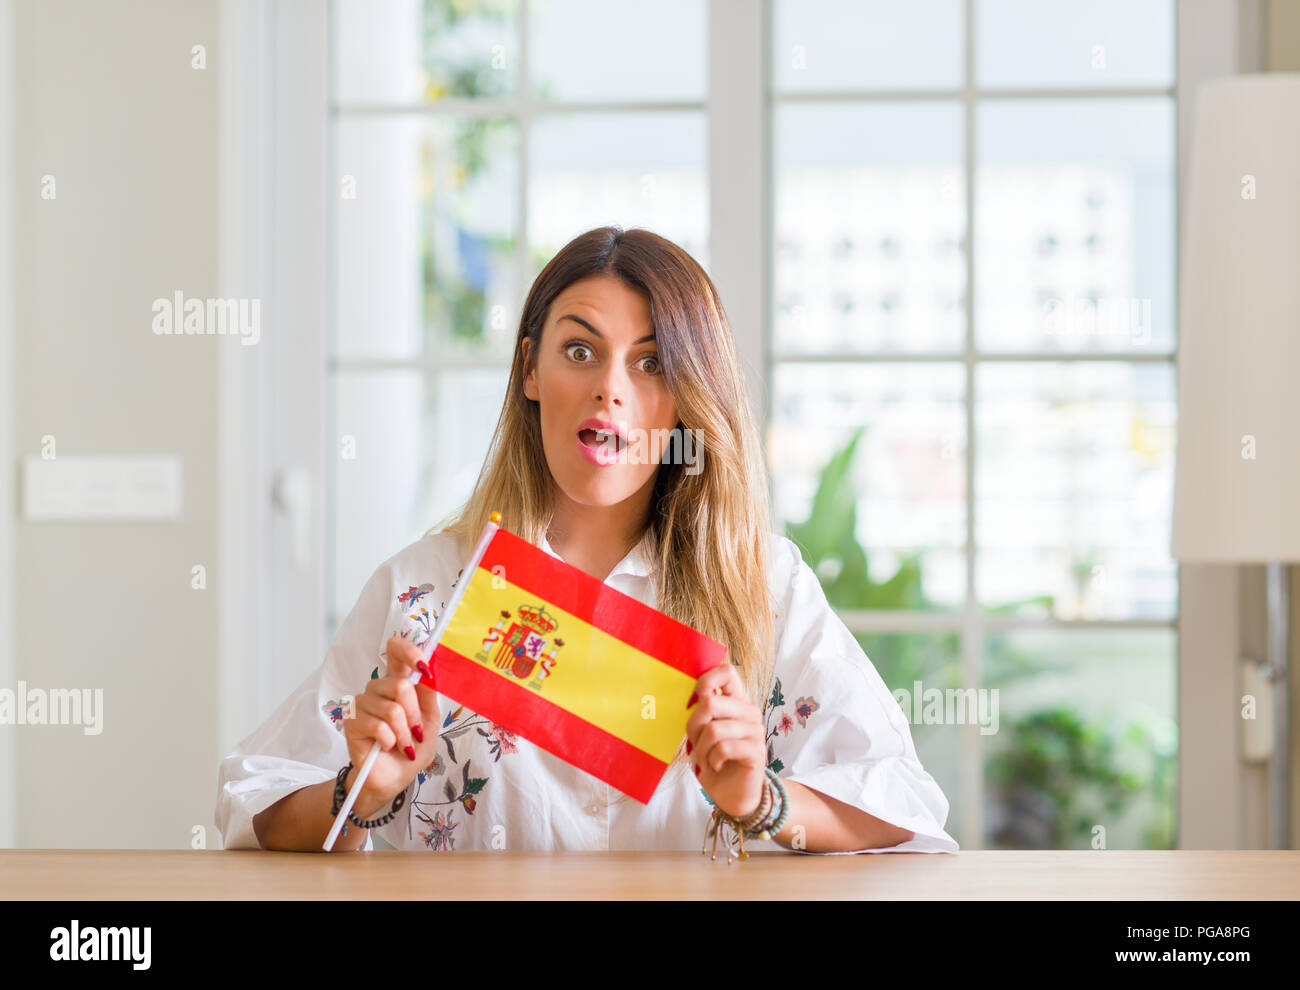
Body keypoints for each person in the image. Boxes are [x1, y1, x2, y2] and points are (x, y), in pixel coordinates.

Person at [215, 226, 958, 855]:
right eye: (580, 351)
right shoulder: (428, 587)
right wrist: (362, 791)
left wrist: (760, 800)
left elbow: (903, 808)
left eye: (652, 362)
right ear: (530, 370)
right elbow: (256, 806)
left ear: (689, 399)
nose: (611, 387)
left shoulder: (762, 584)